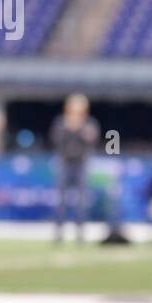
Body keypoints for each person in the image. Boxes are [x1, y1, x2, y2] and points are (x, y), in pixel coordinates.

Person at [49, 93, 99, 243]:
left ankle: (80, 232)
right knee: (61, 200)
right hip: (65, 163)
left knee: (82, 201)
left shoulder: (89, 123)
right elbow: (56, 139)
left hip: (81, 163)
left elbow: (93, 139)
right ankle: (59, 232)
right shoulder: (61, 122)